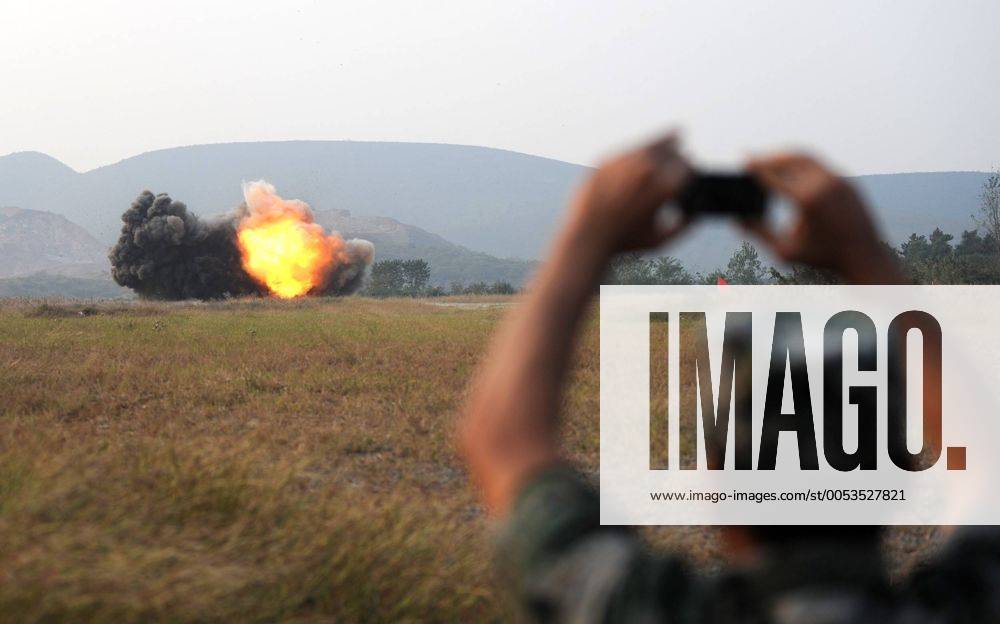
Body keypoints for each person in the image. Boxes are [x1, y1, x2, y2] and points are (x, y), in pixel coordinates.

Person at [458, 133, 1000, 623]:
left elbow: (503, 442)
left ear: (715, 481)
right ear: (899, 476)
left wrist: (587, 232)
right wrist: (864, 256)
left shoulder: (638, 606)